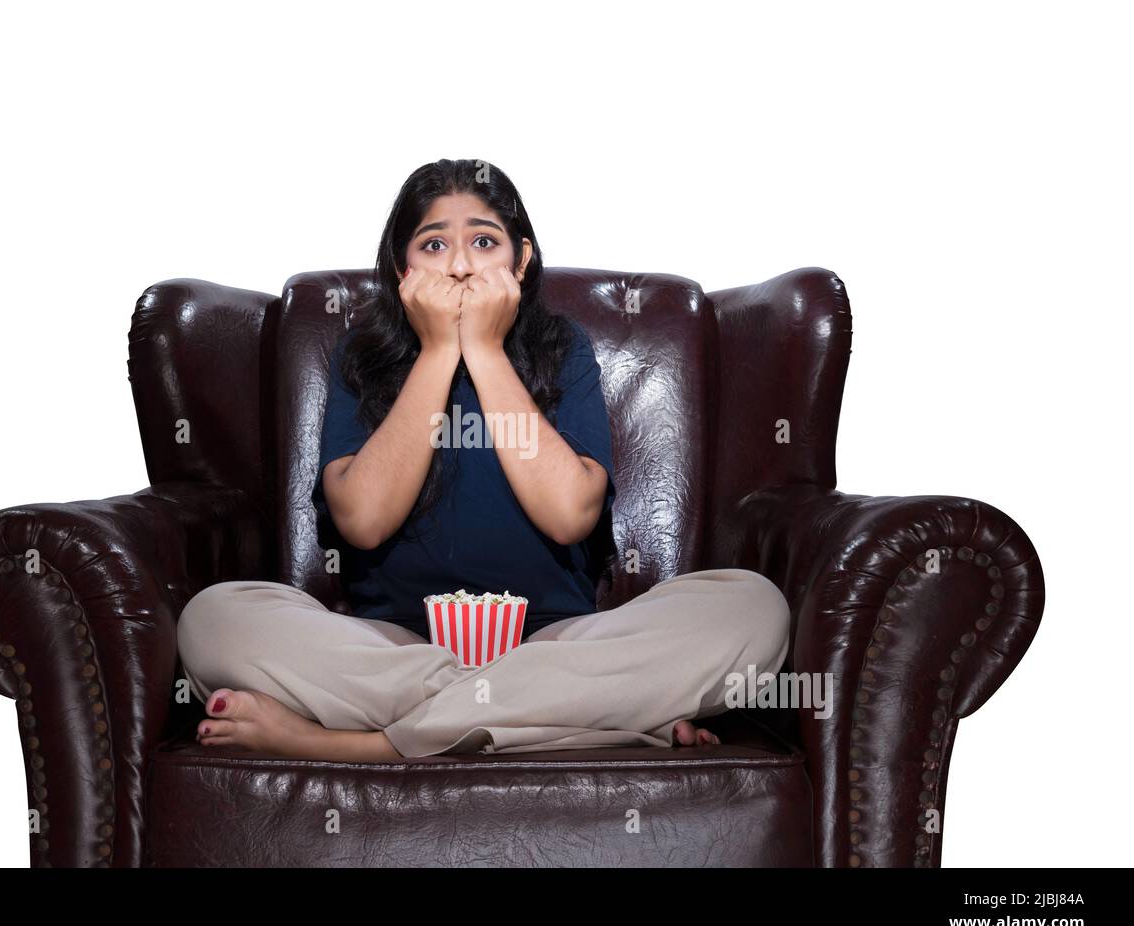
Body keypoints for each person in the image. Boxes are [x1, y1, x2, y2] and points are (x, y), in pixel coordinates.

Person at [176, 158, 791, 761]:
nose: (463, 266)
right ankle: (589, 720)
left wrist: (489, 354)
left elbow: (568, 516)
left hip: (553, 645)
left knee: (752, 608)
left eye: (484, 241)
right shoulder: (360, 358)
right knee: (213, 620)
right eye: (434, 246)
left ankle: (364, 746)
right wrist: (441, 349)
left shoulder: (562, 350)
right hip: (394, 649)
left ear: (519, 260)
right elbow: (363, 521)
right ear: (401, 267)